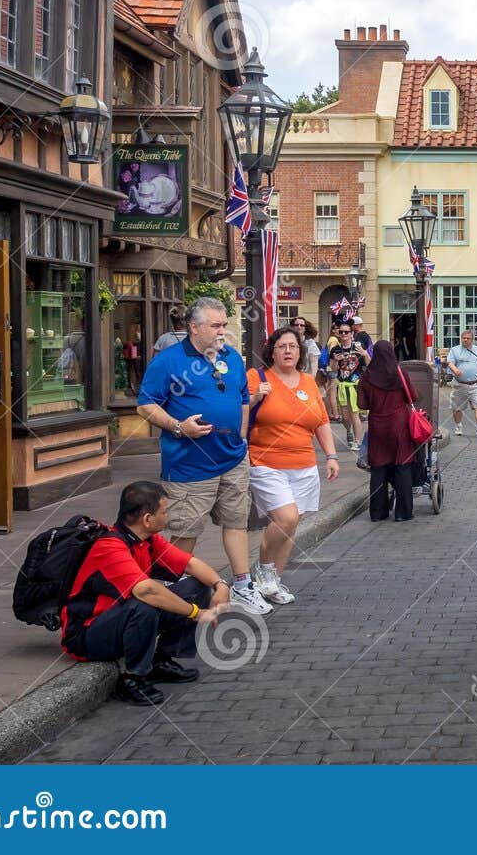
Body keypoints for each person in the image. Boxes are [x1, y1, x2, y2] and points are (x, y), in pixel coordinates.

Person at [135, 296, 271, 616]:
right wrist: (178, 427)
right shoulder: (168, 361)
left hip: (233, 458)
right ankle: (177, 592)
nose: (222, 331)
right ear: (194, 327)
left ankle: (242, 584)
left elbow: (241, 400)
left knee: (236, 522)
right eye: (215, 325)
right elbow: (145, 405)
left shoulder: (232, 357)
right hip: (190, 464)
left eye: (224, 324)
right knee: (186, 531)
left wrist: (241, 438)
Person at [60, 481, 231, 706]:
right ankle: (132, 678)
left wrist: (221, 585)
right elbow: (146, 590)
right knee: (143, 604)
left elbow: (189, 564)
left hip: (119, 620)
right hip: (86, 635)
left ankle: (161, 661)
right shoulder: (110, 547)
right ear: (147, 519)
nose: (167, 516)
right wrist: (197, 614)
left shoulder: (147, 540)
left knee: (196, 586)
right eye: (164, 511)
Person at [246, 326, 338, 605]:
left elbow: (321, 422)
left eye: (293, 347)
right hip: (266, 462)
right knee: (285, 518)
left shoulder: (309, 382)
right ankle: (262, 569)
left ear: (300, 352)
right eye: (282, 346)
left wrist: (331, 456)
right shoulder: (256, 377)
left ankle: (274, 582)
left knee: (292, 524)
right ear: (271, 351)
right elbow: (237, 412)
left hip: (304, 464)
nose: (288, 351)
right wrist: (254, 398)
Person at [358, 341, 419, 521]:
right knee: (402, 466)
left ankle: (378, 513)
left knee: (378, 468)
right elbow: (413, 397)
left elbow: (362, 404)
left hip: (378, 425)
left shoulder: (367, 377)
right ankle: (403, 512)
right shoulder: (400, 374)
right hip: (399, 424)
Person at [326, 321, 370, 447]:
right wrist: (335, 360)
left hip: (355, 385)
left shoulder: (358, 347)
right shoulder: (336, 349)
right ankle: (348, 429)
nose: (343, 334)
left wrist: (365, 354)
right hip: (342, 385)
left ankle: (357, 441)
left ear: (352, 334)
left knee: (354, 413)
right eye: (341, 332)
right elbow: (333, 369)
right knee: (345, 416)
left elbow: (369, 364)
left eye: (346, 332)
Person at [447, 329, 477, 439]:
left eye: (468, 338)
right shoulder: (455, 350)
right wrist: (455, 370)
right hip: (460, 385)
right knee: (457, 408)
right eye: (463, 338)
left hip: (475, 384)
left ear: (472, 340)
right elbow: (450, 362)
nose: (465, 340)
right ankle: (458, 426)